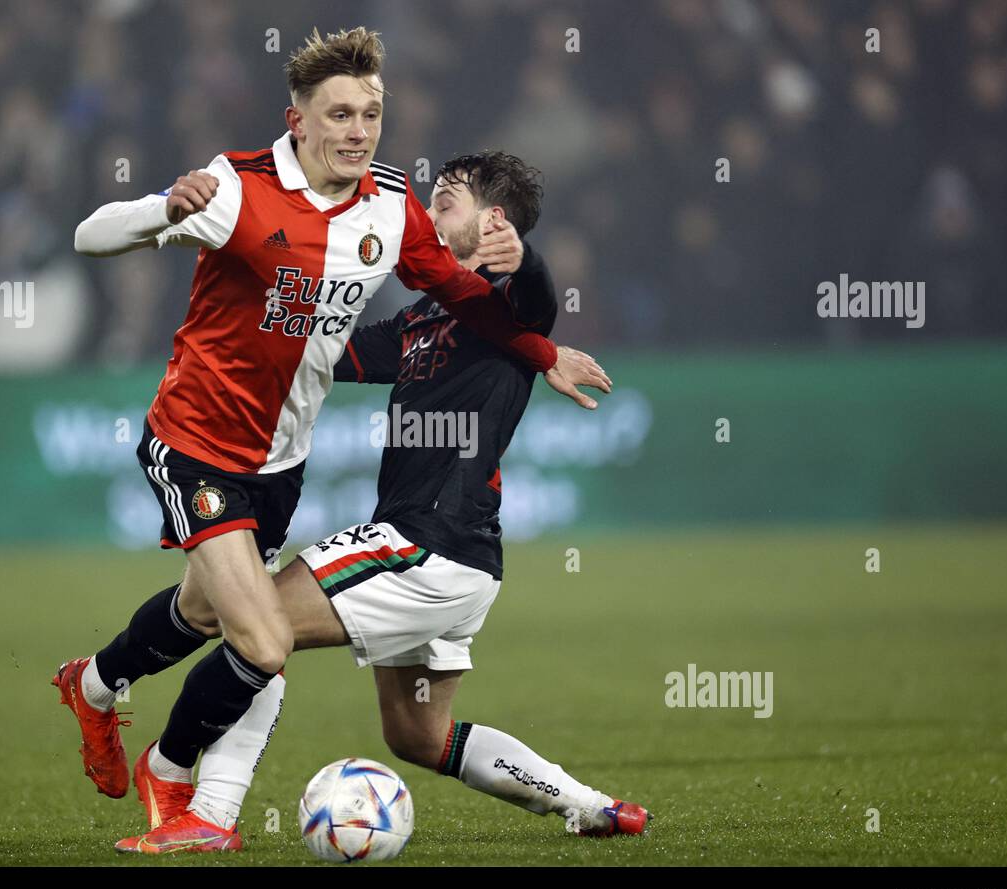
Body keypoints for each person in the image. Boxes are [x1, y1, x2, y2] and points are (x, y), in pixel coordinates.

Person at [52, 27, 595, 807]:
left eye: (370, 115)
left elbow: (473, 300)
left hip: (281, 461)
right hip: (197, 442)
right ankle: (177, 787)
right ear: (297, 119)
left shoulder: (390, 207)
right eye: (339, 114)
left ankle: (95, 685)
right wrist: (161, 209)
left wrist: (544, 352)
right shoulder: (236, 187)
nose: (357, 130)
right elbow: (90, 235)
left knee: (204, 610)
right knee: (264, 639)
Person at [112, 151, 647, 853]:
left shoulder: (507, 310)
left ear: (492, 222)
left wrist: (522, 256)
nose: (428, 209)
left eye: (447, 199)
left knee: (257, 626)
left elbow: (535, 298)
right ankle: (589, 804)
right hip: (460, 563)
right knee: (418, 736)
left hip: (428, 546)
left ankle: (203, 804)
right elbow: (326, 352)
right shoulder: (426, 317)